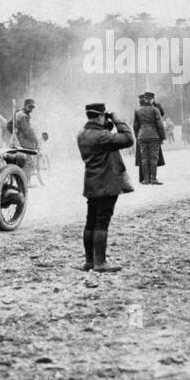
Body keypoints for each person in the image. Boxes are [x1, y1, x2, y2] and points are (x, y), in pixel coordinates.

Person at [76, 103, 134, 272]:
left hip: (91, 183)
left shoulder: (82, 134)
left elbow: (104, 136)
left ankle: (89, 261)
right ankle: (100, 262)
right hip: (107, 183)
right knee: (102, 222)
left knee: (91, 222)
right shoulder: (102, 136)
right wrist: (117, 119)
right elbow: (128, 139)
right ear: (101, 117)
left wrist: (107, 124)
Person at [132, 92, 165, 185]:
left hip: (141, 136)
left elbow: (135, 125)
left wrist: (137, 136)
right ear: (152, 99)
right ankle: (153, 179)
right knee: (154, 158)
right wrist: (162, 137)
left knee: (144, 158)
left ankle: (146, 180)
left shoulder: (137, 110)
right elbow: (160, 125)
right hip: (153, 136)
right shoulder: (155, 109)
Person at [13, 98, 40, 184]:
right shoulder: (23, 116)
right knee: (29, 159)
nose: (31, 109)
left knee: (24, 159)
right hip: (22, 140)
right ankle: (26, 182)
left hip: (17, 139)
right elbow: (28, 131)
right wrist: (36, 141)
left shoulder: (20, 113)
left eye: (33, 107)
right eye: (30, 107)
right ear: (25, 106)